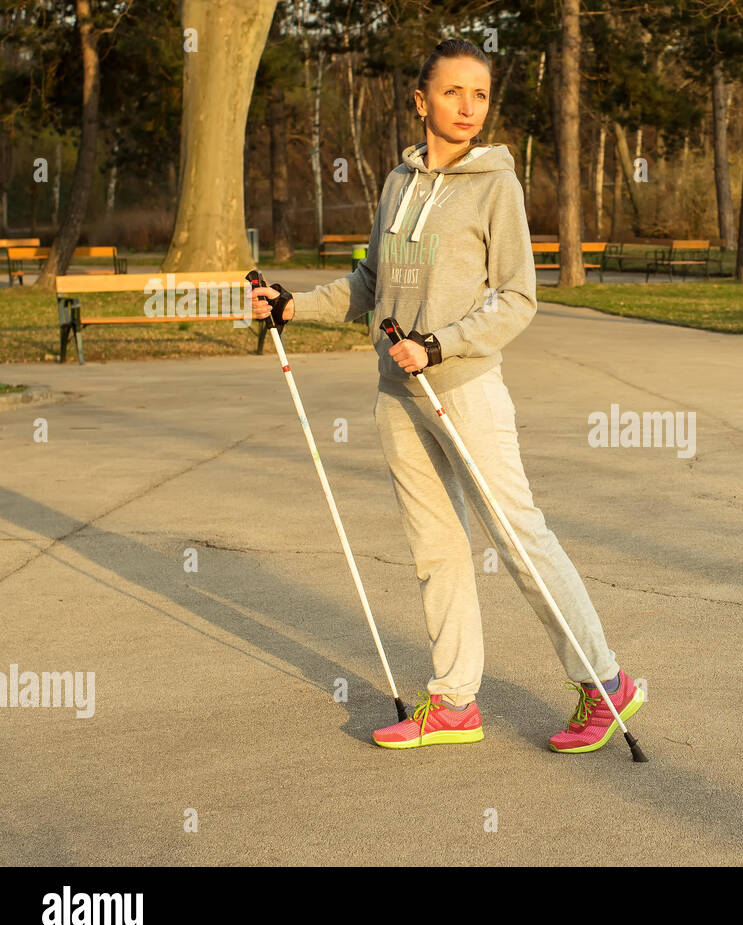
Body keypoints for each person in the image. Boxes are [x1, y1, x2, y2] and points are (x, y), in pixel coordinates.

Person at [251, 38, 644, 754]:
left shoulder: (496, 185)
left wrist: (438, 345)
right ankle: (454, 702)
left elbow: (520, 298)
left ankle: (604, 680)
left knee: (519, 539)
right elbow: (372, 288)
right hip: (397, 396)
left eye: (481, 94)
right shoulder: (401, 184)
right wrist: (289, 306)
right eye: (454, 92)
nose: (469, 107)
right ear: (421, 99)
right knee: (437, 550)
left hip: (463, 390)